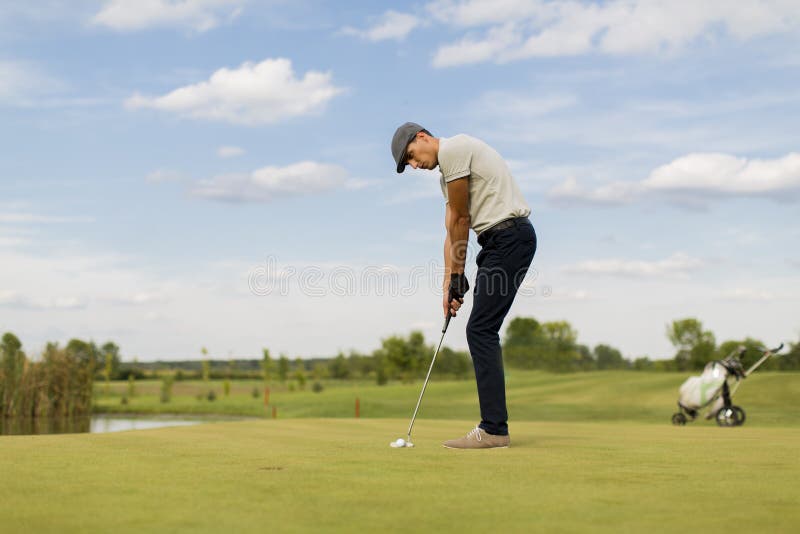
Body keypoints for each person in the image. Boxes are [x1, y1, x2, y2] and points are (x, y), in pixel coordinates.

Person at [391, 122, 537, 449]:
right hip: (496, 244)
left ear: (423, 138)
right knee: (482, 328)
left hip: (509, 237)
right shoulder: (447, 176)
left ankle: (494, 430)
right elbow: (450, 229)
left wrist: (459, 272)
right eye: (409, 164)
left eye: (411, 157)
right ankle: (494, 427)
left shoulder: (455, 149)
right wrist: (449, 283)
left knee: (480, 329)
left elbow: (461, 219)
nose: (415, 166)